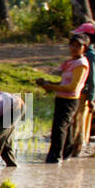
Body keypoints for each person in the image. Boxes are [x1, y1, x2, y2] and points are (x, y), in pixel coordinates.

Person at [36, 33, 90, 163]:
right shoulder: (71, 62)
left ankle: (55, 158)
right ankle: (66, 154)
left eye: (78, 46)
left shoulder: (80, 64)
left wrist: (50, 86)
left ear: (84, 48)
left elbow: (72, 87)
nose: (74, 48)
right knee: (66, 128)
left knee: (59, 128)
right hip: (61, 98)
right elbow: (63, 82)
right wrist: (48, 84)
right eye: (72, 45)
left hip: (69, 100)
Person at [70, 22, 95, 156]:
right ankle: (74, 151)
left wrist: (91, 99)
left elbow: (92, 81)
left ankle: (76, 151)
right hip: (78, 92)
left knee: (78, 123)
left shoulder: (90, 56)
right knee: (76, 122)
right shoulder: (87, 54)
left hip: (84, 94)